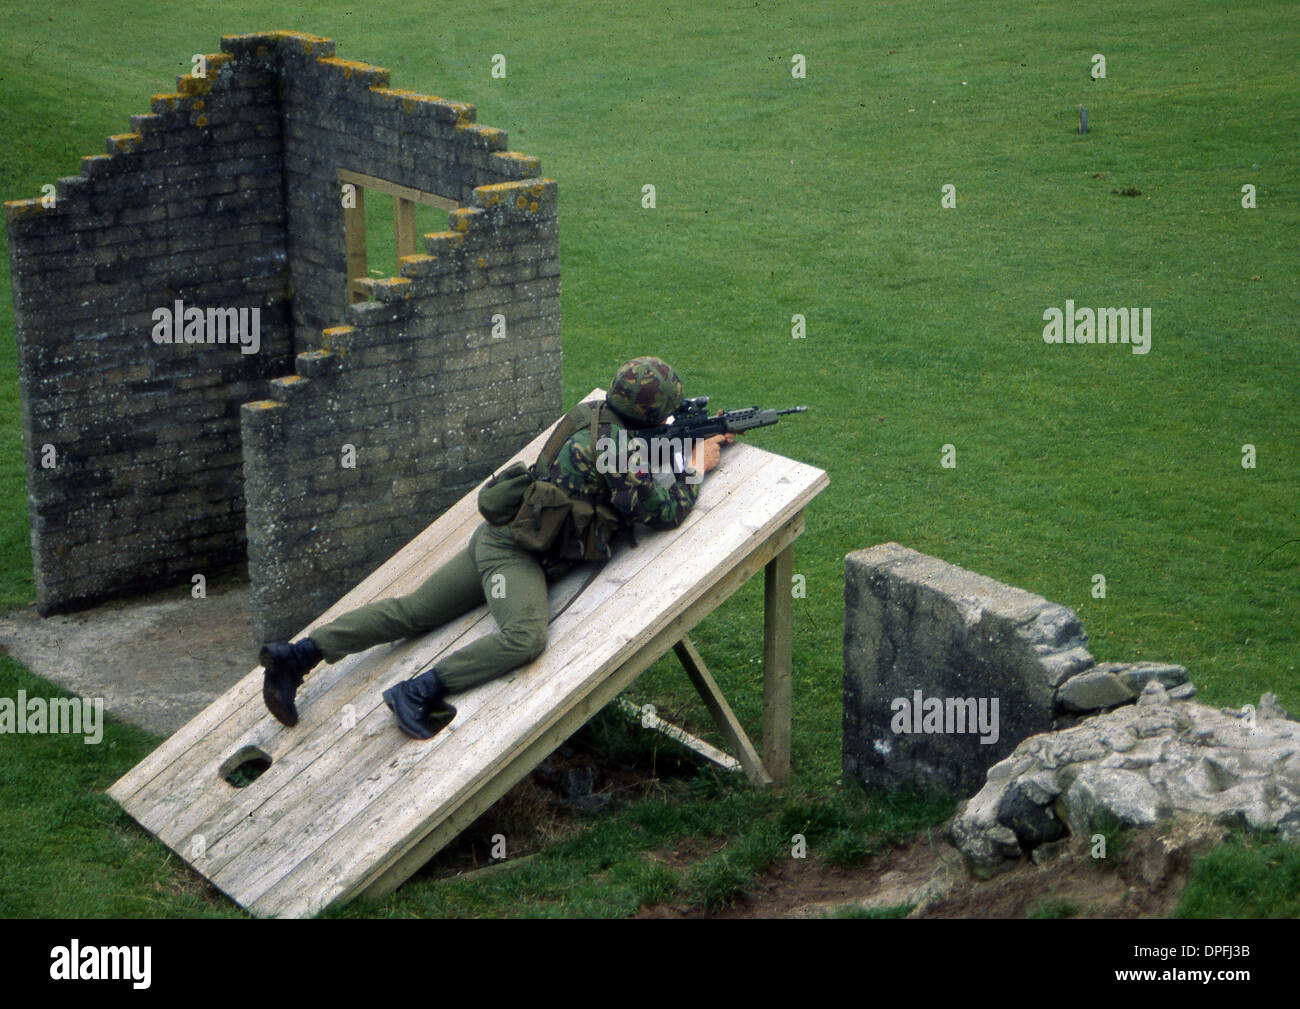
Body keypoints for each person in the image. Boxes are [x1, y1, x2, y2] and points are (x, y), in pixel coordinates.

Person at [259, 356, 732, 739]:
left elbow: (617, 468)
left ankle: (296, 655)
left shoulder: (590, 415)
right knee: (525, 638)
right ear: (651, 414)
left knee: (412, 612)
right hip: (520, 556)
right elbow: (663, 512)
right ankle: (420, 691)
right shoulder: (615, 452)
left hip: (496, 535)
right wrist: (698, 465)